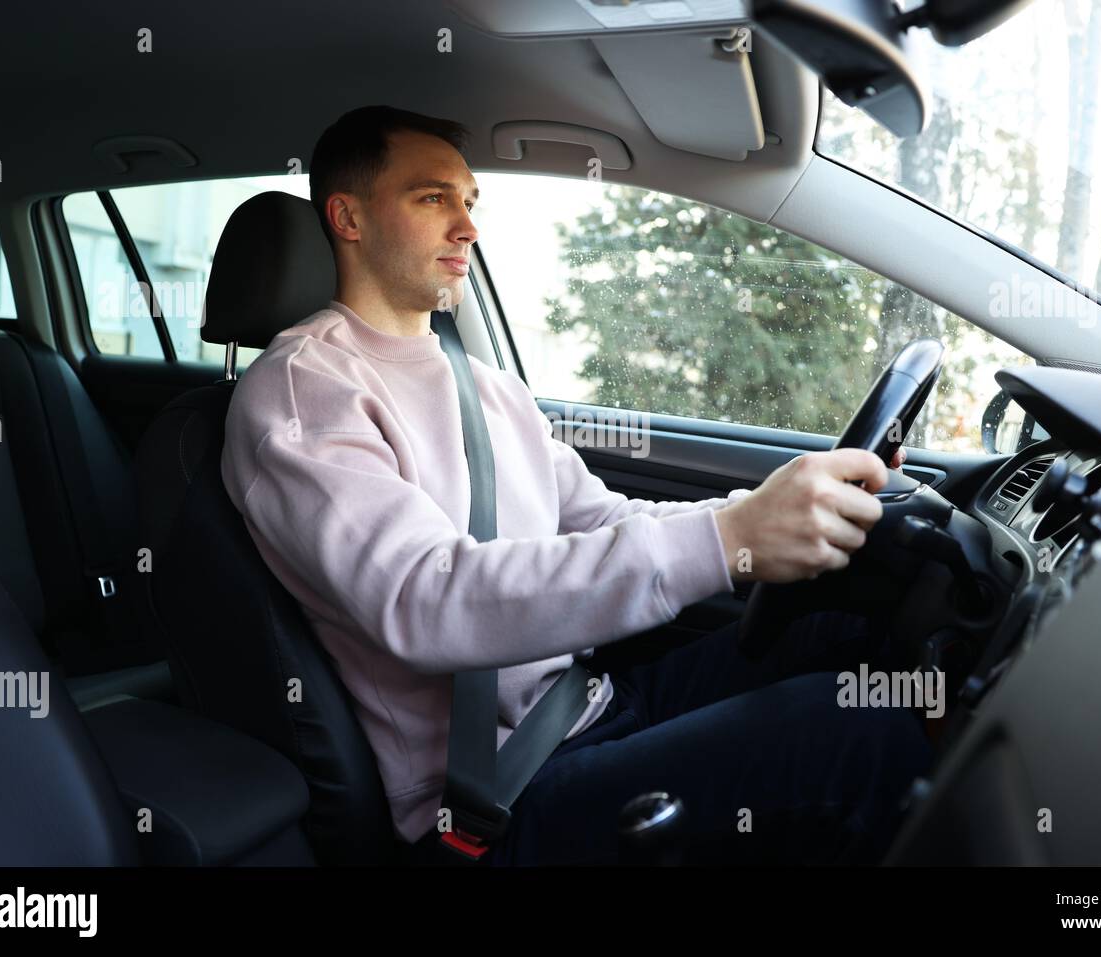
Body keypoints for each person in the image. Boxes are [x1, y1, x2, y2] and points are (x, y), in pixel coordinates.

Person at [220, 105, 932, 866]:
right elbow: (426, 598)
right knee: (853, 731)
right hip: (493, 798)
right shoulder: (303, 390)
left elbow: (603, 517)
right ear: (348, 217)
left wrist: (766, 511)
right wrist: (731, 540)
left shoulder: (487, 387)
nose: (467, 227)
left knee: (850, 631)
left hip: (589, 703)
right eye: (433, 199)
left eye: (470, 201)